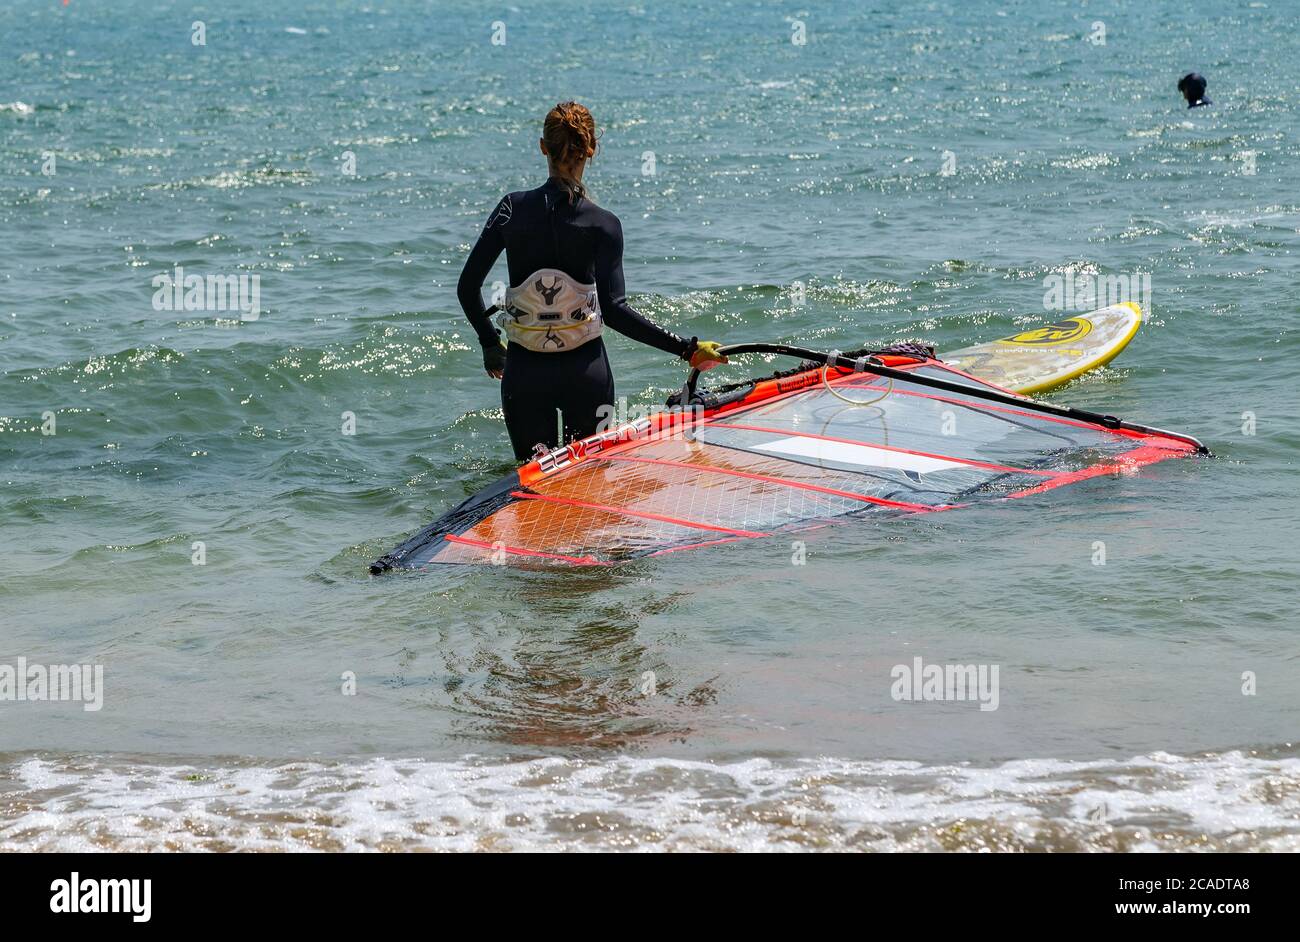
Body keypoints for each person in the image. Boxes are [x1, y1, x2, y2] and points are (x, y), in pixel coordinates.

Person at [457, 101, 727, 461]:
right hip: (585, 375)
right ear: (592, 149)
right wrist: (685, 347)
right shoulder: (604, 224)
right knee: (588, 483)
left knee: (530, 485)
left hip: (525, 375)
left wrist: (490, 343)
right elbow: (615, 312)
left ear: (542, 147)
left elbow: (467, 287)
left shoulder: (511, 209)